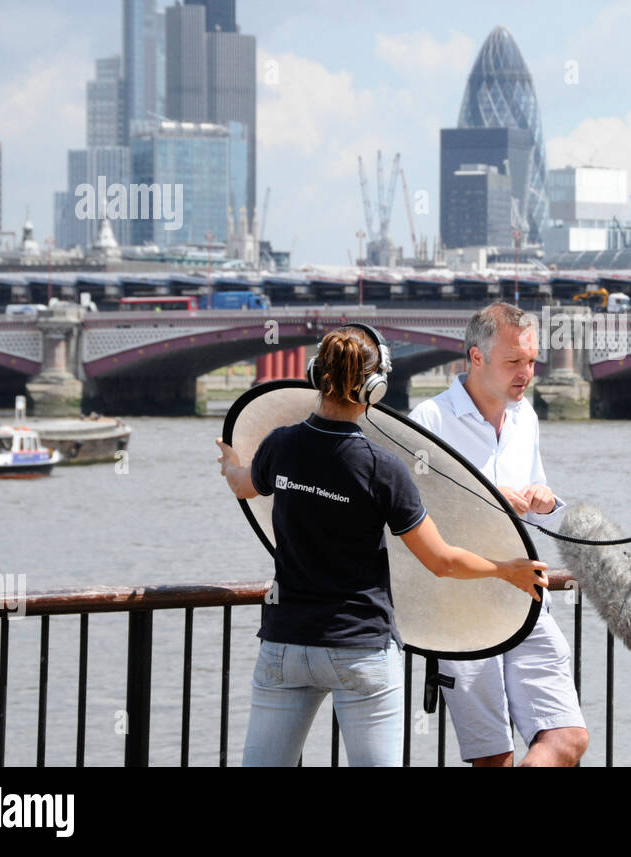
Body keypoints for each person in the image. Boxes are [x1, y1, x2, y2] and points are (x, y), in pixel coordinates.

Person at [216, 325, 548, 767]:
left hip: (285, 644)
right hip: (360, 648)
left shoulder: (281, 445)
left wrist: (231, 463)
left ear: (316, 374)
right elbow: (442, 561)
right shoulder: (383, 468)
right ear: (375, 388)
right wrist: (508, 569)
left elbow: (243, 486)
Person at [409, 303, 590, 767]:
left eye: (531, 361)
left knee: (568, 738)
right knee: (494, 758)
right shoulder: (428, 422)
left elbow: (540, 517)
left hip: (527, 597)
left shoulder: (525, 417)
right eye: (514, 362)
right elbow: (406, 527)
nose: (527, 373)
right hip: (462, 607)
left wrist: (548, 503)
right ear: (476, 358)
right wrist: (488, 503)